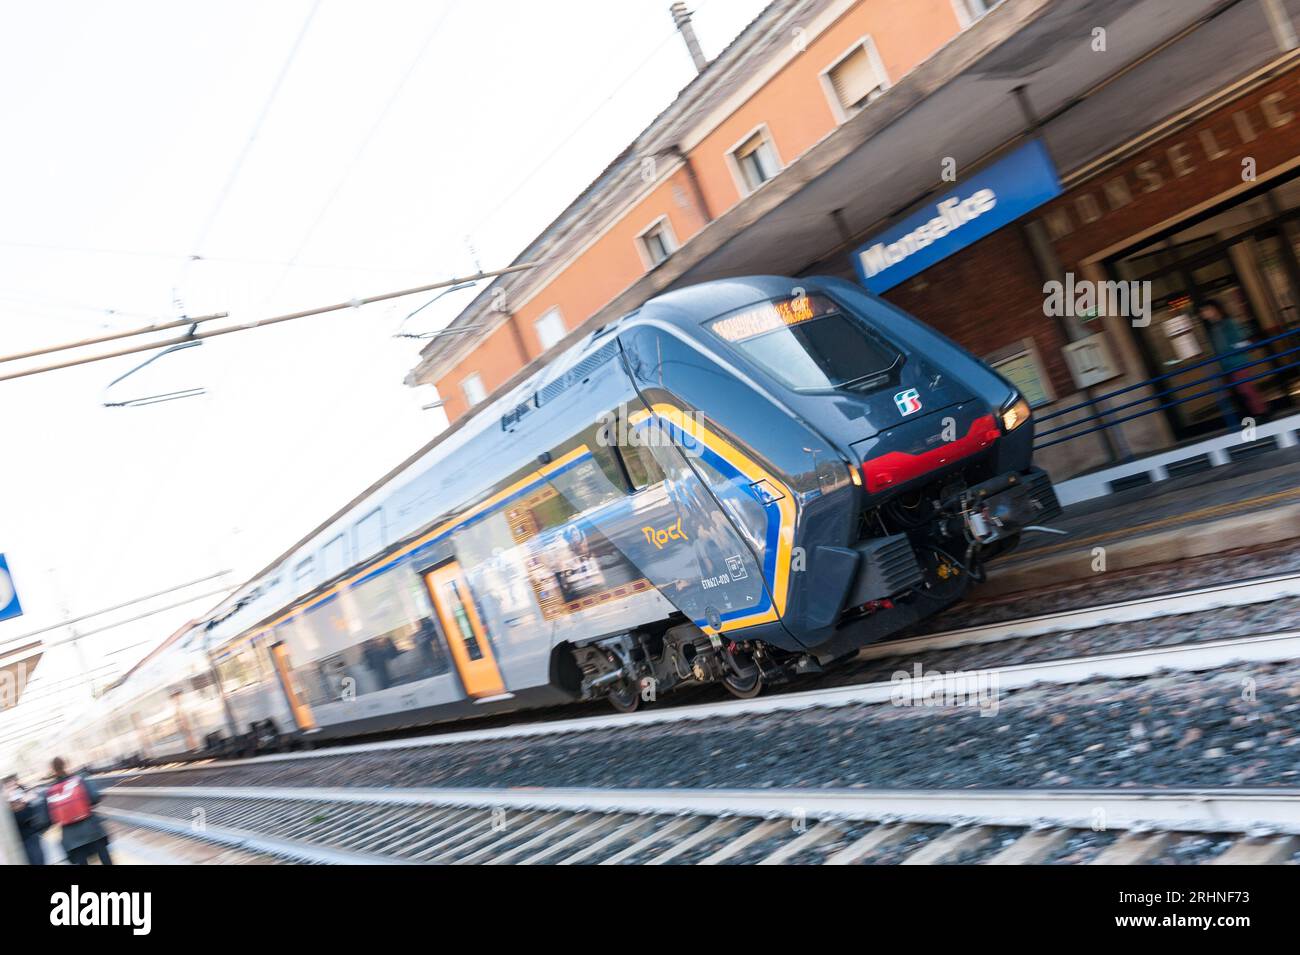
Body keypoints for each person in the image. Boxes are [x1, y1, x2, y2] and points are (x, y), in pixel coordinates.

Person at [1199, 298, 1269, 418]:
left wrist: (1230, 350)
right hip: (1227, 366)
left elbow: (1240, 341)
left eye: (1205, 310)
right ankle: (1255, 414)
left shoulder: (1228, 323)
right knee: (1240, 392)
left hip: (1238, 362)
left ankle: (1262, 413)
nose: (1202, 313)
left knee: (1245, 389)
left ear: (1214, 309)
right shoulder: (1215, 328)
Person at [46, 757, 112, 865]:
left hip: (70, 836)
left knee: (81, 861)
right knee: (104, 857)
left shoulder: (49, 791)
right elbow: (94, 798)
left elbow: (49, 819)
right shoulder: (79, 780)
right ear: (65, 765)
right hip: (91, 828)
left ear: (52, 770)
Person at [3, 774, 49, 865]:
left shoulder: (21, 796)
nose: (14, 787)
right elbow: (17, 820)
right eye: (10, 785)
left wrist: (25, 802)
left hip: (30, 837)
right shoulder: (7, 803)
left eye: (15, 784)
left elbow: (30, 815)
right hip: (18, 842)